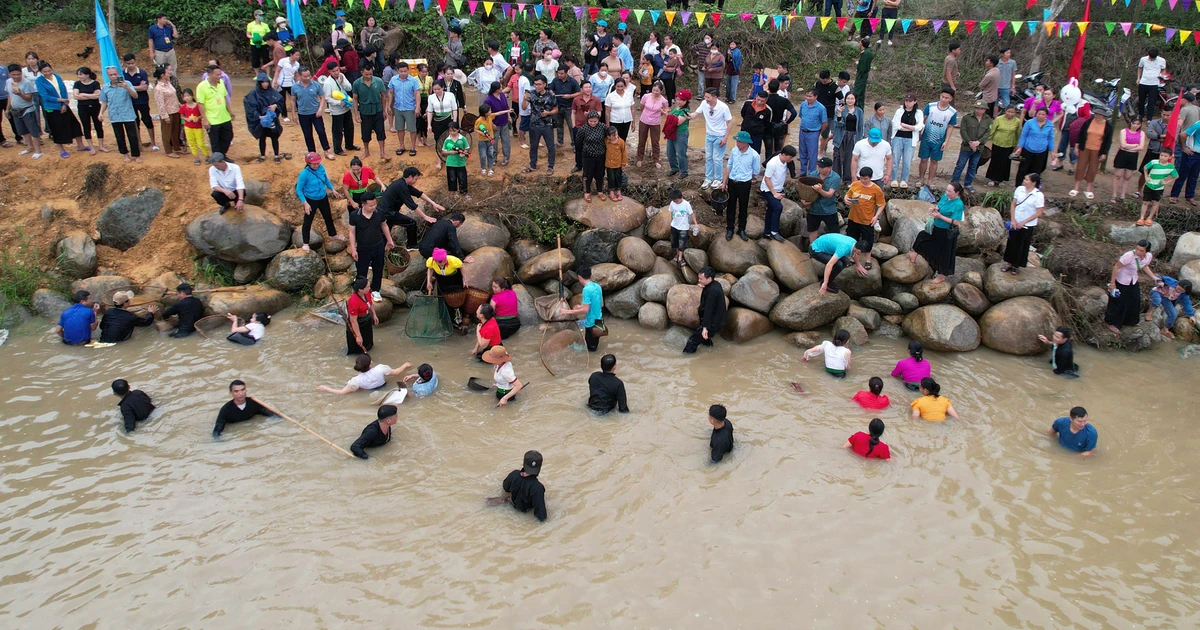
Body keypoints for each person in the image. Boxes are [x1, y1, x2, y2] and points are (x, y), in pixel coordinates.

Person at [909, 182, 966, 284]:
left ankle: (941, 276)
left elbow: (956, 222)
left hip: (946, 232)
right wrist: (936, 209)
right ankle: (915, 252)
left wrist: (940, 216)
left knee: (945, 254)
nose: (947, 192)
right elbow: (941, 206)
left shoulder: (958, 204)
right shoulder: (945, 197)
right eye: (947, 190)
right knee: (923, 236)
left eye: (949, 191)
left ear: (957, 193)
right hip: (936, 227)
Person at [377, 167, 440, 248]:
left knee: (385, 232)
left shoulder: (403, 183)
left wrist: (433, 203)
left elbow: (418, 193)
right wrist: (425, 216)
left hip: (387, 212)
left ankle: (381, 250)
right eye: (415, 179)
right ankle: (411, 245)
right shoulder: (401, 186)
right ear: (410, 177)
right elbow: (411, 205)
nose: (416, 181)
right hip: (388, 212)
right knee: (411, 223)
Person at [346, 190, 391, 302]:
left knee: (378, 269)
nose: (373, 207)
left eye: (375, 204)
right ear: (363, 205)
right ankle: (360, 292)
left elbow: (384, 226)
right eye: (371, 205)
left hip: (378, 246)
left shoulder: (379, 212)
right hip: (363, 248)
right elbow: (351, 232)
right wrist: (353, 249)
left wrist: (390, 240)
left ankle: (376, 290)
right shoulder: (354, 215)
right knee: (362, 271)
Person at [1105, 240, 1157, 334]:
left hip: (1133, 280)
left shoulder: (1148, 256)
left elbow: (1144, 266)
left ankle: (1130, 321)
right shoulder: (1129, 256)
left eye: (1141, 251)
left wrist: (1154, 277)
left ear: (1146, 252)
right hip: (1122, 280)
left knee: (1134, 300)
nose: (1138, 252)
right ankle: (1111, 323)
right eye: (1137, 249)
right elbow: (1116, 267)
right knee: (1118, 302)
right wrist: (1113, 283)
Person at [34, 62, 85, 158]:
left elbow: (63, 90)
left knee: (74, 124)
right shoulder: (39, 81)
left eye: (49, 70)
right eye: (45, 71)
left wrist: (64, 104)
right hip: (51, 108)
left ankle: (80, 145)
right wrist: (61, 100)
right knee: (56, 129)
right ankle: (62, 150)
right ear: (41, 72)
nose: (47, 73)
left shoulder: (57, 77)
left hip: (63, 105)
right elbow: (45, 96)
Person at [296, 152, 344, 250]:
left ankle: (333, 234)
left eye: (318, 163)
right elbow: (299, 189)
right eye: (314, 164)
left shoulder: (321, 168)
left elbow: (326, 180)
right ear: (308, 163)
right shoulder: (304, 174)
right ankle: (305, 243)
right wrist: (305, 203)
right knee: (307, 221)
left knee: (328, 216)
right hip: (310, 199)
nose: (316, 165)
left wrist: (333, 189)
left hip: (322, 197)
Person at [720, 131, 761, 241]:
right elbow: (729, 166)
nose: (737, 143)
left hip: (744, 184)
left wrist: (747, 176)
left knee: (743, 207)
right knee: (731, 206)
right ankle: (730, 229)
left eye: (739, 141)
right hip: (732, 182)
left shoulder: (754, 155)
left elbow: (756, 171)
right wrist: (724, 182)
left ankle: (741, 229)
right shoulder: (734, 151)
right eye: (737, 141)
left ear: (746, 143)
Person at [690, 89, 734, 190]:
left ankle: (718, 179)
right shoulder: (704, 104)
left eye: (708, 97)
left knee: (717, 159)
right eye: (705, 97)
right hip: (709, 135)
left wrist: (725, 137)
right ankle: (708, 178)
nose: (706, 99)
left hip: (720, 136)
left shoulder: (723, 107)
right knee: (709, 157)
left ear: (715, 97)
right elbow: (695, 114)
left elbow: (730, 122)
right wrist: (689, 116)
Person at [1000, 174, 1045, 273]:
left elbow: (1039, 212)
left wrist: (1024, 222)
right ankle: (1008, 263)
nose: (1024, 181)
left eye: (1027, 180)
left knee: (1022, 245)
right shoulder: (1020, 189)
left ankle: (1016, 265)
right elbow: (1014, 204)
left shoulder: (1038, 195)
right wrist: (1013, 219)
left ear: (1033, 182)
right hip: (1015, 222)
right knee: (1011, 243)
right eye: (1024, 179)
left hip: (1027, 225)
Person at [97, 67, 141, 162]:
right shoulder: (105, 87)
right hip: (114, 115)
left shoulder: (127, 83)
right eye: (111, 75)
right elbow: (104, 102)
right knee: (119, 136)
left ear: (118, 74)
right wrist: (101, 112)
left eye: (115, 74)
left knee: (133, 135)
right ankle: (125, 154)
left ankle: (136, 155)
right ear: (107, 76)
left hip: (128, 114)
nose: (113, 76)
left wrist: (127, 87)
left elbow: (135, 96)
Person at [291, 66, 334, 160]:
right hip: (303, 114)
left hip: (315, 113)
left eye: (309, 76)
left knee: (321, 131)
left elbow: (322, 97)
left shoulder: (316, 85)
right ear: (300, 76)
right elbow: (293, 100)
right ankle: (312, 153)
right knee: (307, 134)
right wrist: (294, 114)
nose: (307, 78)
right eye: (305, 76)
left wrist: (320, 109)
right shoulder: (295, 87)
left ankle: (326, 151)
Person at [917, 89, 958, 187]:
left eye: (946, 98)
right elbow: (922, 120)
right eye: (942, 97)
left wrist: (946, 142)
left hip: (939, 140)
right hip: (926, 137)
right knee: (923, 159)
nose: (943, 99)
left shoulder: (952, 112)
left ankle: (930, 181)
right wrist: (919, 133)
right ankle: (921, 179)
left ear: (951, 99)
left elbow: (950, 127)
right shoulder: (930, 106)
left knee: (934, 161)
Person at [559, 266, 605, 352]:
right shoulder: (597, 286)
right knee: (594, 346)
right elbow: (601, 304)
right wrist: (581, 306)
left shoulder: (586, 290)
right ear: (590, 275)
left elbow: (585, 310)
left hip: (591, 324)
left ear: (579, 277)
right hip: (599, 322)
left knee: (590, 350)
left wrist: (567, 311)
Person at [1070, 109, 1113, 200]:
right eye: (1096, 114)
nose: (1097, 116)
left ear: (1104, 116)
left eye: (1100, 114)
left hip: (1097, 151)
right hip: (1085, 148)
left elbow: (1108, 141)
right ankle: (1076, 187)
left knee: (1093, 169)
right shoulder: (1088, 122)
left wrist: (1104, 153)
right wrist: (1077, 146)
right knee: (1080, 167)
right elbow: (1081, 134)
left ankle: (1088, 189)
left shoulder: (1108, 126)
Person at [241, 71, 283, 163]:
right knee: (262, 137)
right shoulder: (253, 93)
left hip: (271, 120)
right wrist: (258, 116)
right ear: (259, 83)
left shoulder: (272, 92)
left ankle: (276, 155)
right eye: (263, 82)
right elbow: (250, 105)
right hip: (261, 120)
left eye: (267, 82)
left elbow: (280, 101)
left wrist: (275, 106)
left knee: (274, 137)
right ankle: (262, 155)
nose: (265, 84)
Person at [683, 267, 727, 354]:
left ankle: (686, 358)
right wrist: (704, 285)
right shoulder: (715, 284)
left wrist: (705, 328)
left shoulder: (712, 292)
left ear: (709, 278)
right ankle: (710, 351)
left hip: (712, 323)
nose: (699, 280)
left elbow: (708, 310)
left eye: (701, 279)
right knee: (704, 338)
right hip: (715, 320)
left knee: (692, 341)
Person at [319, 354, 411, 395]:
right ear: (370, 363)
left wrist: (325, 388)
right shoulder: (380, 368)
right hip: (385, 388)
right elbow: (397, 372)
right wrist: (405, 365)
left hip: (371, 393)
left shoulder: (356, 381)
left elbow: (341, 392)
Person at [950, 101, 991, 192]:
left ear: (985, 110)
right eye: (977, 108)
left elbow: (987, 133)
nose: (978, 110)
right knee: (960, 165)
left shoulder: (988, 119)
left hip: (979, 147)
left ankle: (968, 184)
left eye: (981, 109)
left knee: (973, 166)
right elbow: (963, 131)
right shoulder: (967, 118)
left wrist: (978, 142)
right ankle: (954, 183)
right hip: (966, 146)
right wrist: (970, 142)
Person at [758, 145, 796, 243]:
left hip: (777, 189)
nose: (791, 159)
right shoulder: (773, 163)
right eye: (790, 157)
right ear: (783, 154)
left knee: (771, 210)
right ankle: (774, 232)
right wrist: (774, 193)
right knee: (777, 207)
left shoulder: (786, 162)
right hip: (767, 189)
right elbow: (767, 178)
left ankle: (767, 232)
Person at [495, 450, 547, 521]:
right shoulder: (537, 488)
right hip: (524, 514)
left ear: (523, 464)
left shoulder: (513, 475)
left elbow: (505, 488)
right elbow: (541, 515)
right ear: (539, 467)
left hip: (511, 503)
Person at [120, 54, 158, 151]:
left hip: (143, 101)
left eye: (132, 63)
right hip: (129, 102)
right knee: (135, 122)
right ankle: (139, 143)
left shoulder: (142, 72)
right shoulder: (122, 74)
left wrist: (129, 87)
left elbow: (144, 87)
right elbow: (121, 87)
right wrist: (137, 87)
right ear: (125, 63)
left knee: (147, 120)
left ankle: (153, 143)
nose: (131, 65)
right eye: (128, 64)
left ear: (135, 62)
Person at [317, 63, 355, 156]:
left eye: (337, 70)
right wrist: (338, 103)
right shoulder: (327, 83)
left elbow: (349, 87)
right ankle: (338, 149)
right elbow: (327, 98)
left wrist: (342, 82)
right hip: (337, 110)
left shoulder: (342, 76)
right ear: (329, 72)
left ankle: (349, 145)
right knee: (337, 130)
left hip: (346, 107)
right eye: (333, 71)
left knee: (349, 127)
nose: (336, 72)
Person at [196, 64, 235, 157]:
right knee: (215, 141)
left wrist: (230, 112)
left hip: (224, 117)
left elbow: (225, 98)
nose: (220, 76)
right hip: (212, 119)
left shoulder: (221, 83)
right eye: (217, 75)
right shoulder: (202, 86)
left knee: (228, 136)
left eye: (220, 74)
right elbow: (200, 104)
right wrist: (205, 119)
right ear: (209, 74)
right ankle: (218, 159)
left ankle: (222, 155)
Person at [6, 63, 43, 159]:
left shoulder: (26, 83)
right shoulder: (8, 82)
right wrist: (7, 109)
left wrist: (19, 94)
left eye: (18, 74)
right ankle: (30, 147)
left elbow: (29, 98)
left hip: (27, 109)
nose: (17, 76)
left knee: (33, 130)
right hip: (15, 110)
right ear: (9, 74)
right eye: (14, 74)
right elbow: (9, 96)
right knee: (23, 130)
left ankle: (38, 150)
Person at [802, 157, 842, 244]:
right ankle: (813, 248)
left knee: (834, 232)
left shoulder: (835, 177)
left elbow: (830, 194)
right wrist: (804, 200)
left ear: (829, 168)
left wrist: (820, 190)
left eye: (822, 167)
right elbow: (806, 190)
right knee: (812, 229)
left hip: (829, 209)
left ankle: (835, 249)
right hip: (814, 209)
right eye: (819, 166)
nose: (820, 168)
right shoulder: (813, 174)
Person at [1170, 93, 1200, 206]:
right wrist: (1184, 147)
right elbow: (1183, 133)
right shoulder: (1197, 114)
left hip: (1194, 148)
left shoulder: (1187, 109)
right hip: (1190, 148)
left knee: (1192, 175)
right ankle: (1175, 195)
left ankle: (1189, 195)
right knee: (1184, 173)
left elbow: (1179, 126)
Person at [888, 94, 924, 188]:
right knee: (895, 159)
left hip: (910, 139)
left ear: (915, 102)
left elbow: (919, 126)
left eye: (910, 101)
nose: (908, 103)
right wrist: (911, 128)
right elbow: (896, 125)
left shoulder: (919, 113)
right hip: (898, 137)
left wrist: (906, 126)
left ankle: (904, 180)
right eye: (906, 101)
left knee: (907, 161)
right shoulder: (899, 111)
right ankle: (894, 178)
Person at [1013, 107, 1054, 186]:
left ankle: (1034, 187)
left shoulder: (1049, 125)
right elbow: (1023, 135)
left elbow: (1050, 138)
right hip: (1028, 149)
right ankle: (1018, 186)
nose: (1040, 116)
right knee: (1023, 169)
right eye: (1039, 114)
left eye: (1043, 114)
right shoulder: (1029, 122)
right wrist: (1020, 147)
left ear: (1046, 115)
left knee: (1037, 170)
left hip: (1041, 150)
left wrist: (1052, 151)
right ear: (1036, 114)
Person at [69, 67, 105, 155]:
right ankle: (91, 147)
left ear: (87, 75)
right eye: (78, 74)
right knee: (86, 126)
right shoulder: (77, 84)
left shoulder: (95, 83)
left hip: (95, 107)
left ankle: (101, 145)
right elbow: (76, 96)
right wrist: (91, 95)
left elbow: (97, 96)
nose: (79, 76)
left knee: (98, 125)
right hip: (83, 108)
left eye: (81, 74)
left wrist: (84, 94)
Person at [831, 92, 865, 182]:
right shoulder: (841, 109)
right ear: (845, 99)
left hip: (853, 136)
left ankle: (848, 179)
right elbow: (837, 124)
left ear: (855, 100)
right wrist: (839, 113)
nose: (850, 101)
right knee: (837, 157)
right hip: (841, 135)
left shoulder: (859, 111)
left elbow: (860, 127)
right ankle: (836, 179)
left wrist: (860, 139)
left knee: (850, 158)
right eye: (848, 98)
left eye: (852, 99)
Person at [984, 105, 1021, 187]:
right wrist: (987, 141)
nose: (1010, 114)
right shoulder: (999, 119)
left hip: (1009, 144)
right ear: (1005, 111)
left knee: (1006, 162)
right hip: (998, 143)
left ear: (1015, 113)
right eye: (1009, 111)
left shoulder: (1017, 121)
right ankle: (992, 178)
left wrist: (1017, 144)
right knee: (995, 161)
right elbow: (993, 130)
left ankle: (1001, 180)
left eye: (1012, 112)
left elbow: (1017, 133)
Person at [1112, 118, 1146, 203]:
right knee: (1118, 175)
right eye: (1134, 123)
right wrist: (1135, 145)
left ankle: (1122, 196)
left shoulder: (1141, 133)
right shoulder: (1124, 131)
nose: (1135, 126)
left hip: (1133, 156)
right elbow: (1123, 145)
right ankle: (1114, 195)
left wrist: (1129, 146)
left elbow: (1141, 147)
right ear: (1131, 123)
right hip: (1122, 154)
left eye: (1138, 124)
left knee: (1127, 177)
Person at [1140, 149, 1177, 226]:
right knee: (1145, 201)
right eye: (1161, 155)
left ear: (1169, 157)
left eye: (1165, 156)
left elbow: (1176, 176)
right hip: (1149, 184)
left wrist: (1166, 182)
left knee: (1155, 202)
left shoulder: (1170, 167)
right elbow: (1145, 167)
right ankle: (1142, 217)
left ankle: (1150, 218)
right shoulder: (1154, 162)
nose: (1163, 157)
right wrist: (1146, 176)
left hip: (1159, 187)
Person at [797, 89, 828, 175]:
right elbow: (801, 117)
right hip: (802, 131)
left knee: (812, 154)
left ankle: (812, 173)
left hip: (813, 132)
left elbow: (825, 123)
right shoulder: (803, 105)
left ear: (815, 97)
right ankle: (803, 172)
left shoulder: (821, 108)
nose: (808, 98)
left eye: (810, 96)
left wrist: (818, 132)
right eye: (807, 96)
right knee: (802, 152)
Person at [153, 66, 183, 159]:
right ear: (162, 75)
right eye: (167, 72)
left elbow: (174, 97)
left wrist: (179, 106)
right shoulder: (158, 88)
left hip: (175, 110)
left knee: (175, 131)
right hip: (168, 112)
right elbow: (160, 104)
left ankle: (177, 147)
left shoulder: (169, 83)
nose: (169, 74)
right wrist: (165, 116)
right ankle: (168, 151)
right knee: (167, 132)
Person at [664, 90, 691, 180]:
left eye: (681, 100)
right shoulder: (676, 108)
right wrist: (668, 115)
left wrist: (667, 114)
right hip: (672, 133)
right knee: (670, 152)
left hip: (681, 133)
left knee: (681, 153)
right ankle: (674, 168)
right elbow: (672, 118)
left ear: (685, 101)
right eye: (677, 99)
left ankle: (684, 171)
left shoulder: (685, 111)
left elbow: (678, 122)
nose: (678, 101)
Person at [665, 189, 697, 266]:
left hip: (683, 227)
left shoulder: (686, 204)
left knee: (682, 243)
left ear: (681, 197)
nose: (676, 202)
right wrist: (671, 221)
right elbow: (672, 212)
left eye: (677, 201)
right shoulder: (672, 203)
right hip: (674, 225)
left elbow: (691, 214)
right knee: (675, 242)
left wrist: (696, 224)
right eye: (674, 201)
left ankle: (680, 257)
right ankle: (677, 253)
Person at [345, 277, 377, 354]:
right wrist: (358, 336)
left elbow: (370, 303)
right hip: (357, 322)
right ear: (360, 290)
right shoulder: (353, 301)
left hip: (366, 319)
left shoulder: (367, 293)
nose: (369, 288)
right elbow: (353, 321)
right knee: (358, 345)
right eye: (367, 287)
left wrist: (374, 315)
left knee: (368, 341)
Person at [1136, 48, 1166, 120]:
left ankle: (1149, 118)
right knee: (1141, 101)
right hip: (1143, 82)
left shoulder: (1162, 60)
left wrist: (1161, 76)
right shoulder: (1143, 59)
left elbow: (1164, 69)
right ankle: (1141, 116)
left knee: (1151, 102)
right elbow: (1140, 68)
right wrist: (1138, 78)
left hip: (1154, 84)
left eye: (1153, 58)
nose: (1151, 59)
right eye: (1150, 57)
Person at [272, 48, 301, 123]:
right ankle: (284, 115)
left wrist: (298, 84)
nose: (298, 57)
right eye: (296, 55)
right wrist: (275, 81)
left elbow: (297, 75)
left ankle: (299, 114)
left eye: (298, 55)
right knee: (282, 100)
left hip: (291, 83)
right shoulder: (283, 61)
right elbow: (277, 71)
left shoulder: (297, 64)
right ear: (291, 55)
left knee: (295, 98)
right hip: (281, 83)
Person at [603, 126, 626, 201]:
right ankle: (611, 192)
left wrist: (623, 163)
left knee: (618, 177)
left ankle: (619, 191)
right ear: (608, 137)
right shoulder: (606, 141)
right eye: (613, 135)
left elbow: (624, 153)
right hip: (609, 165)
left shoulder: (621, 142)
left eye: (616, 134)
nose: (616, 136)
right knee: (611, 178)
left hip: (618, 164)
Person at [852, 37, 873, 106]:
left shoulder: (865, 53)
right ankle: (860, 106)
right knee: (861, 92)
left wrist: (859, 73)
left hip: (862, 74)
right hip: (864, 74)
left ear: (861, 44)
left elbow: (863, 65)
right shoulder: (868, 52)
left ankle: (853, 105)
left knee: (856, 91)